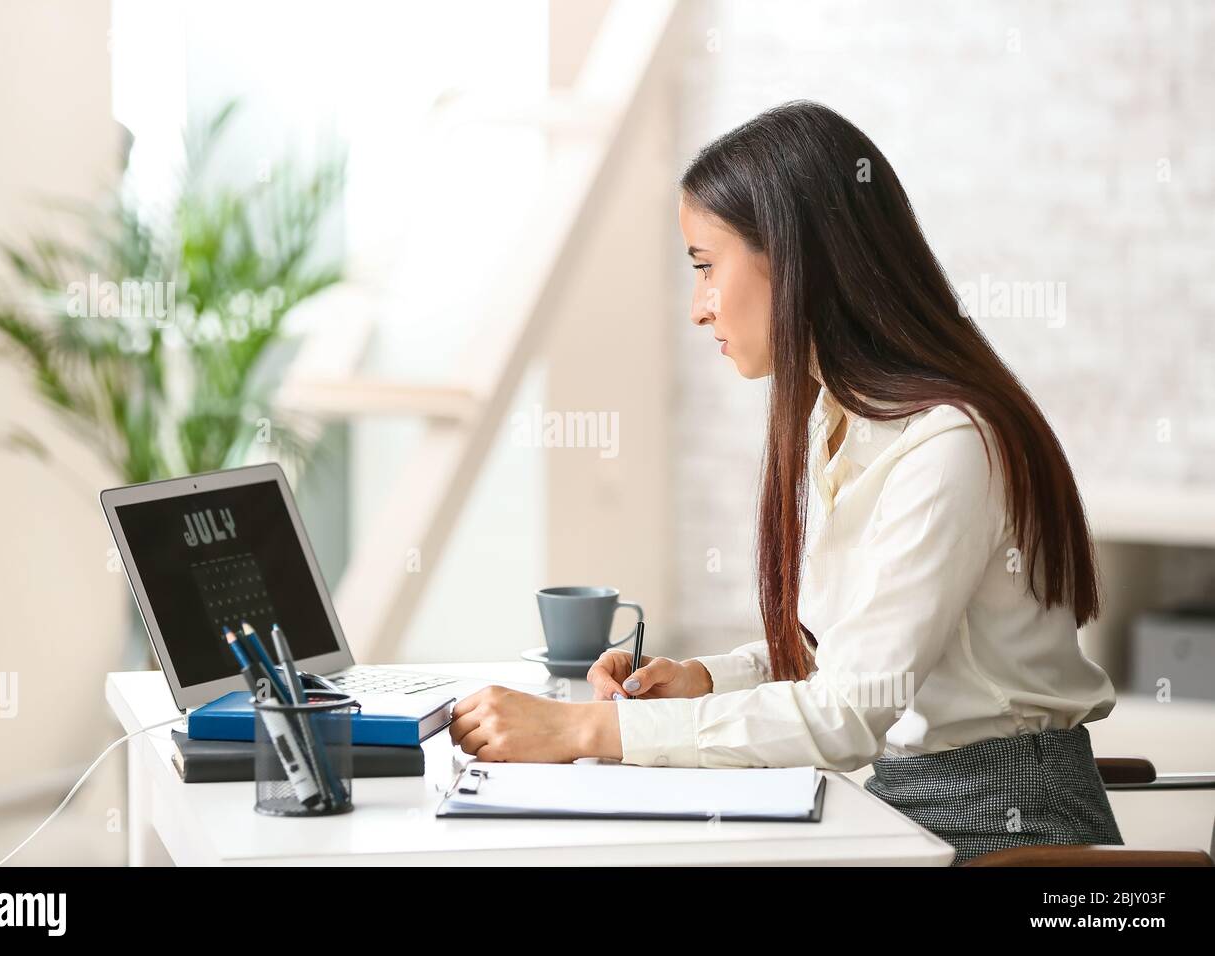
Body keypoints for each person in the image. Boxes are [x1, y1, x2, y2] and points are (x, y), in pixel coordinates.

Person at [447, 101, 1123, 864]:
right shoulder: (844, 422)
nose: (699, 308)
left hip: (1008, 832)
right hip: (911, 808)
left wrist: (581, 730)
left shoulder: (950, 446)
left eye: (706, 266)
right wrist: (705, 678)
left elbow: (850, 715)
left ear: (795, 256)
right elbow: (841, 656)